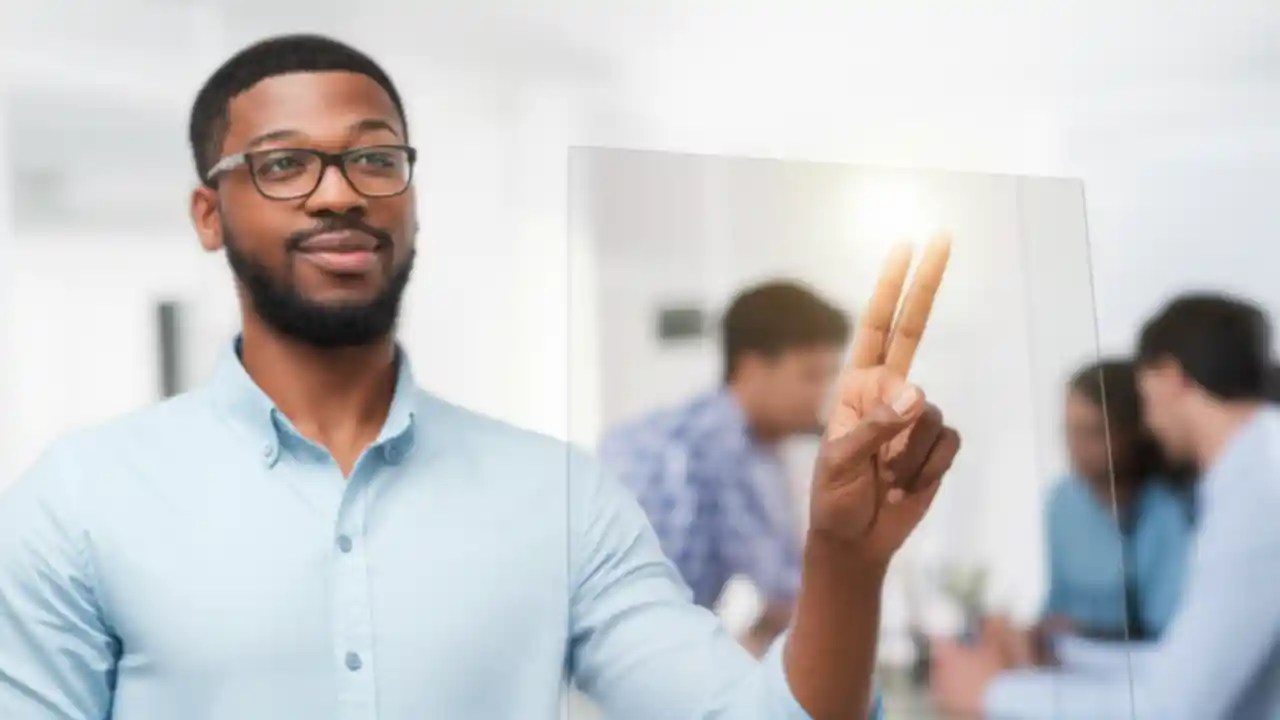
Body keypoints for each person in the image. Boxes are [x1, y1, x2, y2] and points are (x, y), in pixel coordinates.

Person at [0, 35, 960, 720]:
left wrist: (846, 556)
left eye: (375, 156)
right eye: (284, 163)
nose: (339, 190)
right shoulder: (79, 500)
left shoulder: (558, 496)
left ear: (411, 200)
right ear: (208, 215)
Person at [932, 293, 1280, 719]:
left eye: (1145, 396)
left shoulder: (1257, 492)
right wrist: (1059, 651)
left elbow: (1172, 708)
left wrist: (991, 693)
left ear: (1171, 378)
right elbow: (1178, 667)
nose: (1148, 420)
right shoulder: (1250, 472)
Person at [600, 281, 850, 655]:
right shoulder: (717, 446)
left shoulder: (726, 439)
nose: (824, 394)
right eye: (811, 376)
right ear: (751, 368)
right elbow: (792, 596)